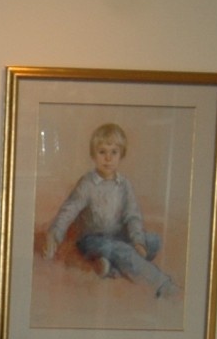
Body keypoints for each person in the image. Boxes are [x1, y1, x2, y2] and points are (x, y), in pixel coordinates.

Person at [40, 122, 178, 298]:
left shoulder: (124, 184)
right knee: (122, 250)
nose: (108, 158)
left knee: (153, 241)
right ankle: (163, 285)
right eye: (102, 152)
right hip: (92, 240)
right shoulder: (87, 183)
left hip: (118, 235)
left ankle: (109, 266)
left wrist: (138, 241)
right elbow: (69, 210)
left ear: (121, 155)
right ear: (93, 155)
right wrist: (54, 235)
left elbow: (133, 216)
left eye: (114, 152)